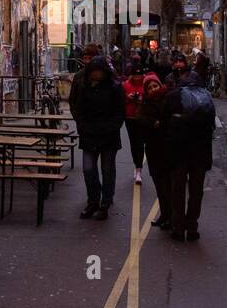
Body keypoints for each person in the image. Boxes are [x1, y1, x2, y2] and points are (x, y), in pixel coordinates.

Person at [68, 54, 124, 220]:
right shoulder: (84, 87)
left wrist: (111, 127)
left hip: (108, 136)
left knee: (107, 171)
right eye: (94, 72)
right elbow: (78, 108)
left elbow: (119, 112)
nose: (96, 75)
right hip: (89, 135)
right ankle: (93, 200)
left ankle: (105, 203)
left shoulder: (114, 87)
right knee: (88, 169)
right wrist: (82, 126)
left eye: (99, 72)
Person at [163, 69, 215, 240]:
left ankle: (178, 227)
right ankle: (192, 226)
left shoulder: (173, 96)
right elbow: (211, 128)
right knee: (196, 191)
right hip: (200, 152)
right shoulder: (206, 97)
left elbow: (163, 122)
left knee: (177, 189)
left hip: (178, 151)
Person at [137, 73, 174, 229]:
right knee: (159, 185)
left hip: (167, 149)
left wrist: (156, 123)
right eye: (150, 87)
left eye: (155, 86)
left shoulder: (168, 100)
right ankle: (164, 215)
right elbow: (142, 123)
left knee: (167, 185)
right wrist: (153, 123)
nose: (153, 89)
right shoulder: (145, 104)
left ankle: (171, 217)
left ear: (160, 85)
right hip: (152, 149)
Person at [121, 56, 154, 185]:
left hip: (143, 118)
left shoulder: (147, 84)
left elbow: (152, 99)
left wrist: (142, 100)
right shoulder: (126, 85)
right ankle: (138, 167)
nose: (137, 78)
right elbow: (120, 101)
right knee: (135, 144)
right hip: (130, 118)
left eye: (139, 76)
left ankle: (140, 168)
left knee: (142, 143)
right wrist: (127, 98)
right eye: (135, 76)